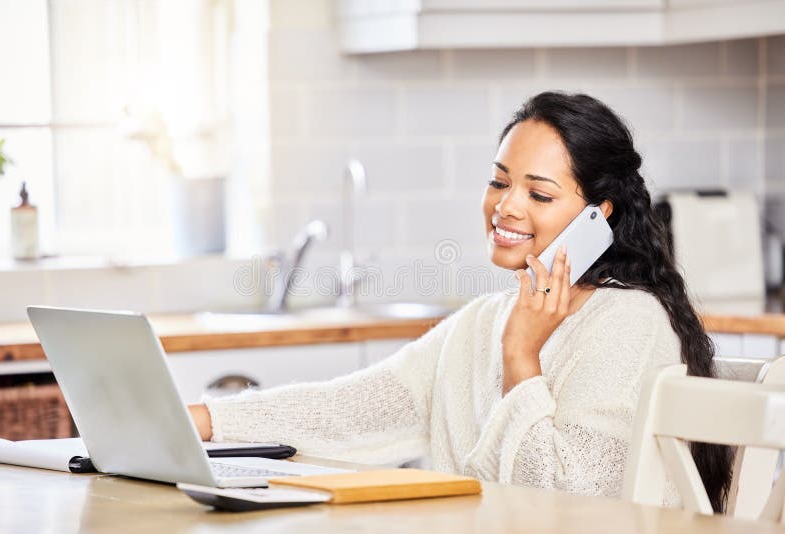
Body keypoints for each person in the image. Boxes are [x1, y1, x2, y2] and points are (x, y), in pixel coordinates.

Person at [189, 91, 733, 511]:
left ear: (600, 214)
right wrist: (205, 419)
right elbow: (360, 406)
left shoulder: (628, 323)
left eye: (539, 194)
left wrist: (522, 356)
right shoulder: (483, 321)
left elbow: (570, 502)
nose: (506, 207)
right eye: (499, 183)